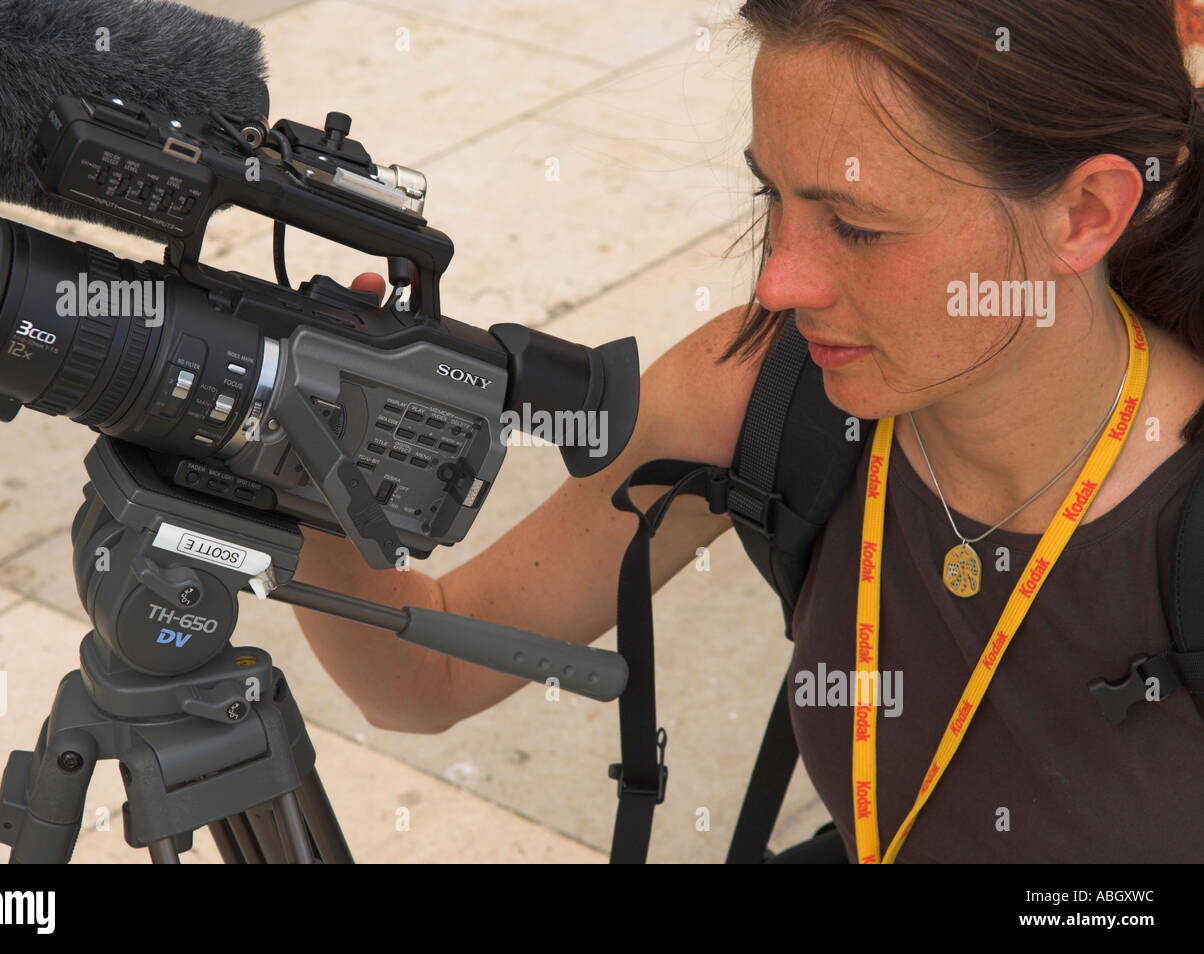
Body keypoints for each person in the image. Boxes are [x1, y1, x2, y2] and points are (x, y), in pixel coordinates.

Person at [291, 0, 1204, 862]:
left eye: (855, 226)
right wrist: (296, 447)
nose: (778, 282)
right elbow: (422, 676)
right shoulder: (757, 392)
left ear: (1086, 214)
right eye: (772, 195)